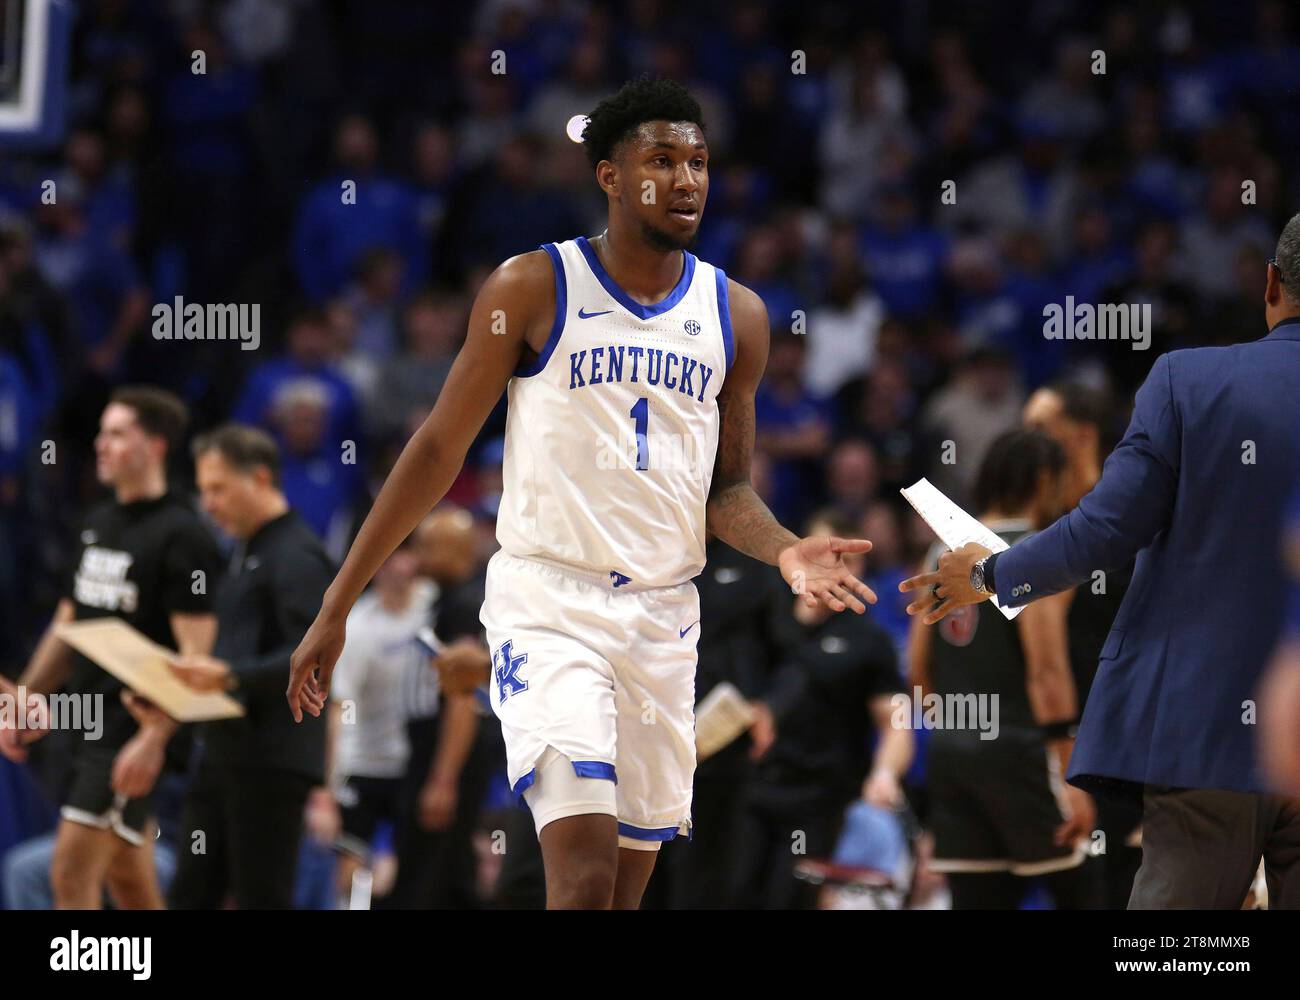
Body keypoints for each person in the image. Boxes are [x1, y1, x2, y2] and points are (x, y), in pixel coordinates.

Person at [287, 76, 878, 910]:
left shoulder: (736, 315)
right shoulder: (531, 287)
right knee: (583, 872)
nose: (685, 180)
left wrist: (786, 549)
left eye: (699, 162)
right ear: (608, 175)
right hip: (550, 604)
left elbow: (729, 490)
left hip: (665, 619)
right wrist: (337, 603)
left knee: (621, 892)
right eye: (661, 159)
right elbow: (433, 450)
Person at [902, 215, 1300, 909]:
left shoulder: (1190, 381)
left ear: (1271, 284)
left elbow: (1104, 529)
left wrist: (987, 573)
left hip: (1204, 735)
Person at [0, 387, 220, 909]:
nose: (100, 444)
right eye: (101, 432)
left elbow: (197, 660)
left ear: (157, 444)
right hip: (86, 725)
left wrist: (156, 738)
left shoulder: (184, 534)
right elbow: (68, 622)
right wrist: (22, 699)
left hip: (131, 735)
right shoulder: (96, 522)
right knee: (131, 885)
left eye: (118, 433)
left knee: (69, 875)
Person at [911, 429, 1096, 909]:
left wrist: (959, 731)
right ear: (1042, 479)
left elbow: (917, 671)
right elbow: (1047, 672)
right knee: (1087, 889)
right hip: (1023, 753)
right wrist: (1070, 772)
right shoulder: (1037, 552)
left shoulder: (939, 552)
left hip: (952, 756)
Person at [166, 424, 334, 909]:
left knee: (263, 896)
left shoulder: (296, 554)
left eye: (218, 488)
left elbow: (317, 657)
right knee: (191, 892)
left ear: (260, 478)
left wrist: (231, 676)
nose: (209, 503)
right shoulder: (245, 552)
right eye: (202, 491)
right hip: (226, 752)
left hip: (270, 760)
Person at [731, 509, 910, 910]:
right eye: (826, 553)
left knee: (788, 899)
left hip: (818, 799)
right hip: (746, 786)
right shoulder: (764, 617)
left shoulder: (869, 639)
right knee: (728, 892)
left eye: (847, 558)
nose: (834, 568)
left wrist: (885, 773)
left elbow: (896, 719)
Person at [1023, 381, 1141, 907]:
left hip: (1125, 745)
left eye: (1039, 430)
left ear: (1083, 435)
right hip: (1047, 741)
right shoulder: (1032, 529)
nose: (1027, 443)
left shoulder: (1135, 515)